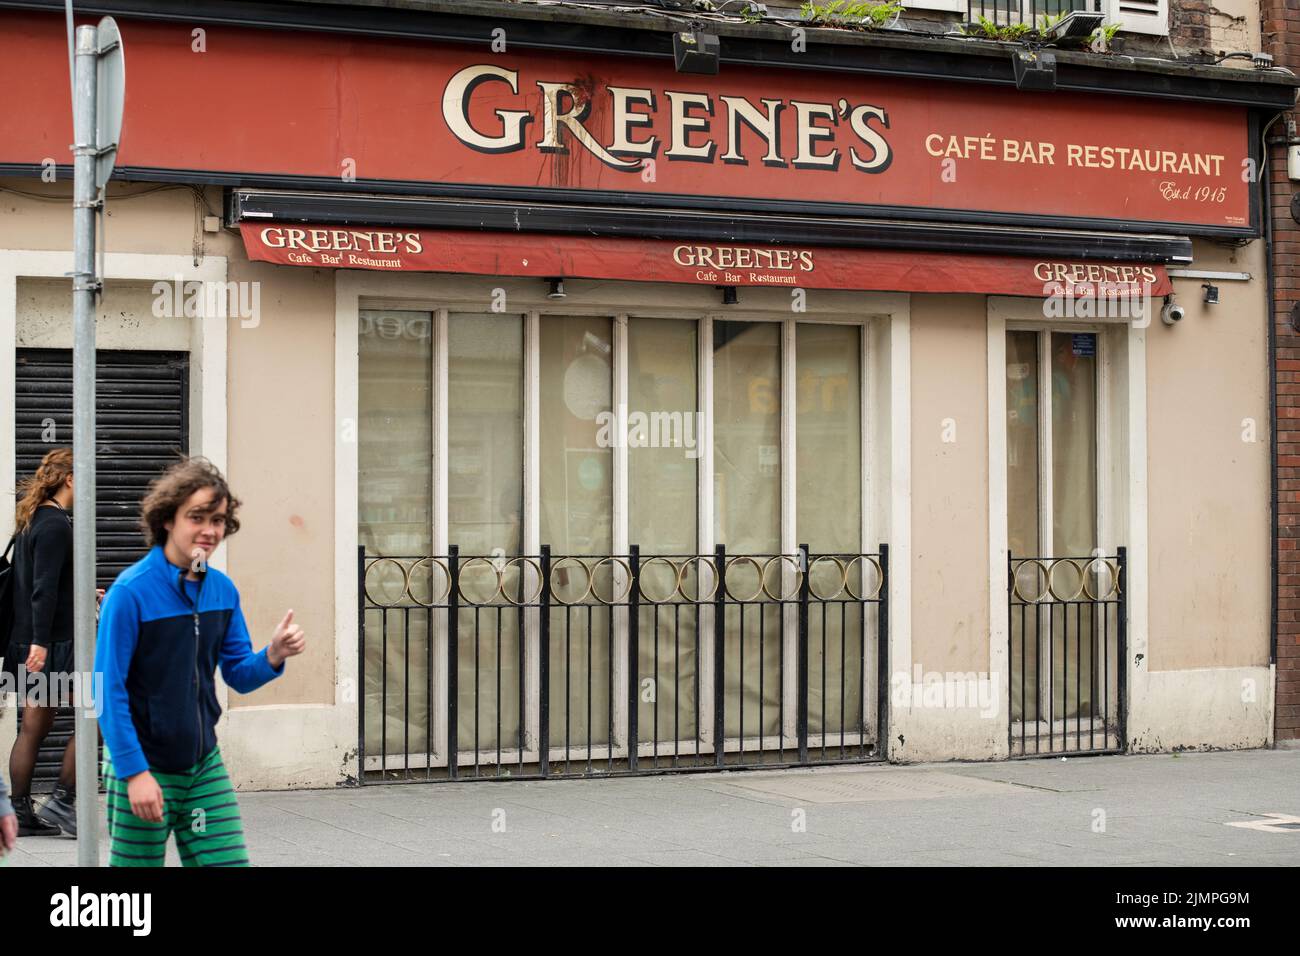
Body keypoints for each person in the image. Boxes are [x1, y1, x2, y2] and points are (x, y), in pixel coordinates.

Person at [95, 457, 306, 866]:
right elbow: (106, 691)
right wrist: (134, 773)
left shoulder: (222, 592)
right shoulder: (131, 593)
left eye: (218, 520)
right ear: (168, 519)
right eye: (197, 517)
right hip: (143, 765)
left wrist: (273, 654)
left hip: (202, 766)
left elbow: (239, 675)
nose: (209, 530)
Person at [3, 448, 77, 837]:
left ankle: (20, 811)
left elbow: (46, 585)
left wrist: (83, 592)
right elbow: (43, 590)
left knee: (36, 722)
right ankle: (62, 801)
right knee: (96, 713)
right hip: (50, 645)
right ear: (69, 479)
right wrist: (41, 644)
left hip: (31, 641)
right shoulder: (56, 526)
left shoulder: (35, 519)